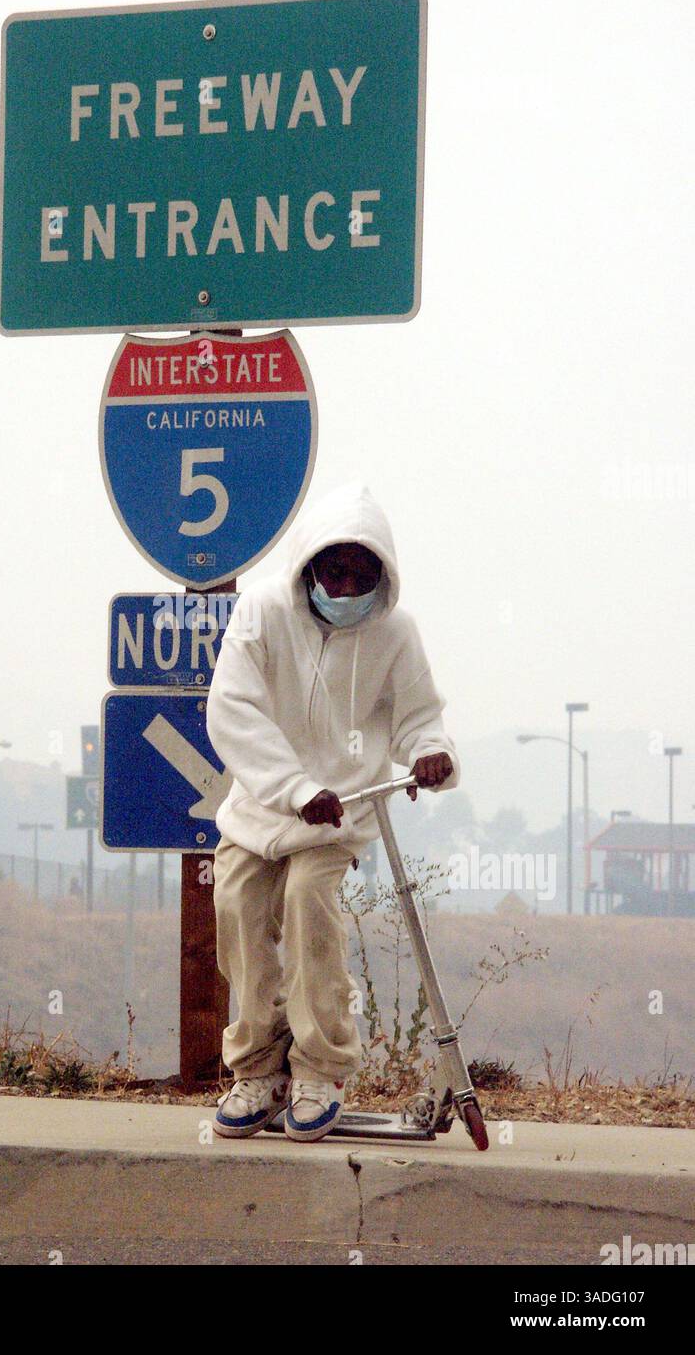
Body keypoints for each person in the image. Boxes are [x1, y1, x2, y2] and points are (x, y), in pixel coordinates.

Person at [205, 481, 459, 1142]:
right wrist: (291, 789)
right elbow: (231, 708)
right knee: (236, 912)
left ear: (382, 574)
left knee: (307, 907)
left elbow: (417, 716)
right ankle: (258, 1069)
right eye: (333, 571)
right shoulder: (262, 612)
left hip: (338, 809)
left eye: (360, 574)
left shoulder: (394, 632)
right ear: (308, 566)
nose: (344, 588)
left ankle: (319, 1067)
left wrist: (430, 753)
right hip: (262, 805)